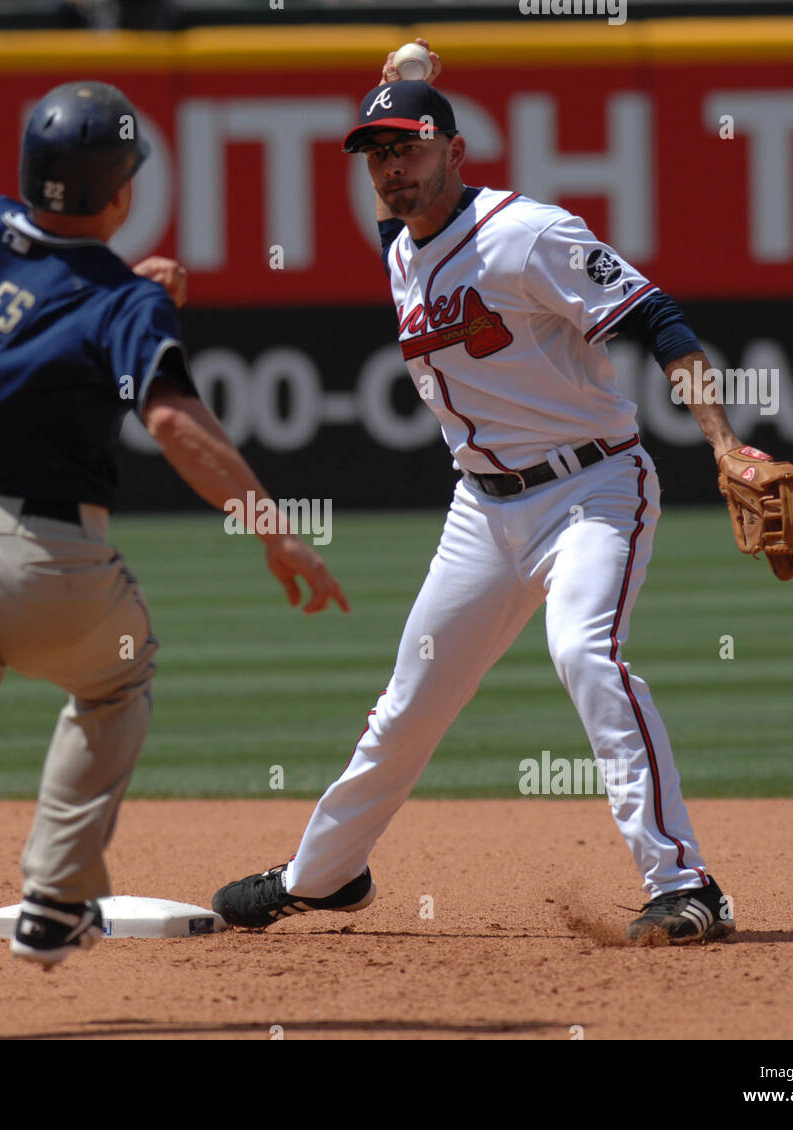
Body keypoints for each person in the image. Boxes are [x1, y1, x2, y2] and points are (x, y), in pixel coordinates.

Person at [0, 80, 348, 1011]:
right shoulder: (118, 305)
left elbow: (29, 307)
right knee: (118, 676)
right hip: (39, 557)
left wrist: (136, 297)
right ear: (122, 191)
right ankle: (55, 894)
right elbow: (171, 421)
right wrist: (277, 533)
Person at [212, 43, 744, 945]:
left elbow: (658, 318)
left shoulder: (529, 232)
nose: (391, 167)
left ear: (456, 151)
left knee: (584, 652)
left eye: (410, 147)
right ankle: (325, 877)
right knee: (410, 700)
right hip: (482, 511)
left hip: (594, 490)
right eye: (377, 153)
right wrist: (404, 86)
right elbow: (405, 220)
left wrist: (726, 446)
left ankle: (687, 885)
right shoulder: (400, 246)